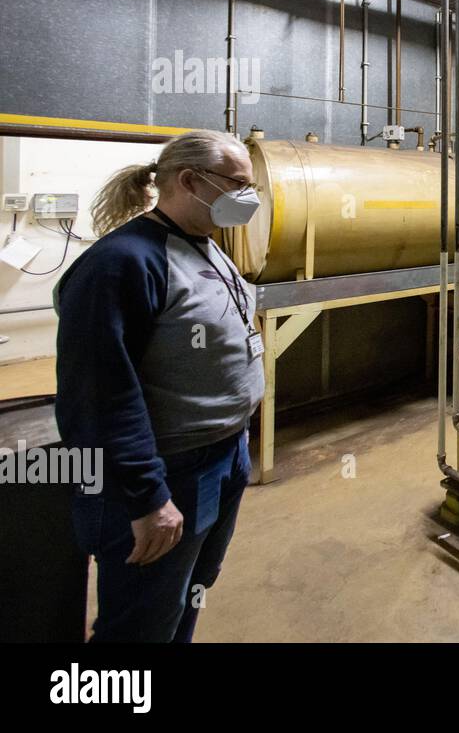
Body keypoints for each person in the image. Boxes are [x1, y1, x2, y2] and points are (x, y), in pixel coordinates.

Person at [54, 129, 266, 642]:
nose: (250, 197)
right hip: (168, 472)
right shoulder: (121, 262)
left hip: (223, 454)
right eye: (238, 183)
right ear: (190, 181)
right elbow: (99, 396)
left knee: (188, 589)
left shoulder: (204, 245)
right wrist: (147, 497)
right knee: (140, 620)